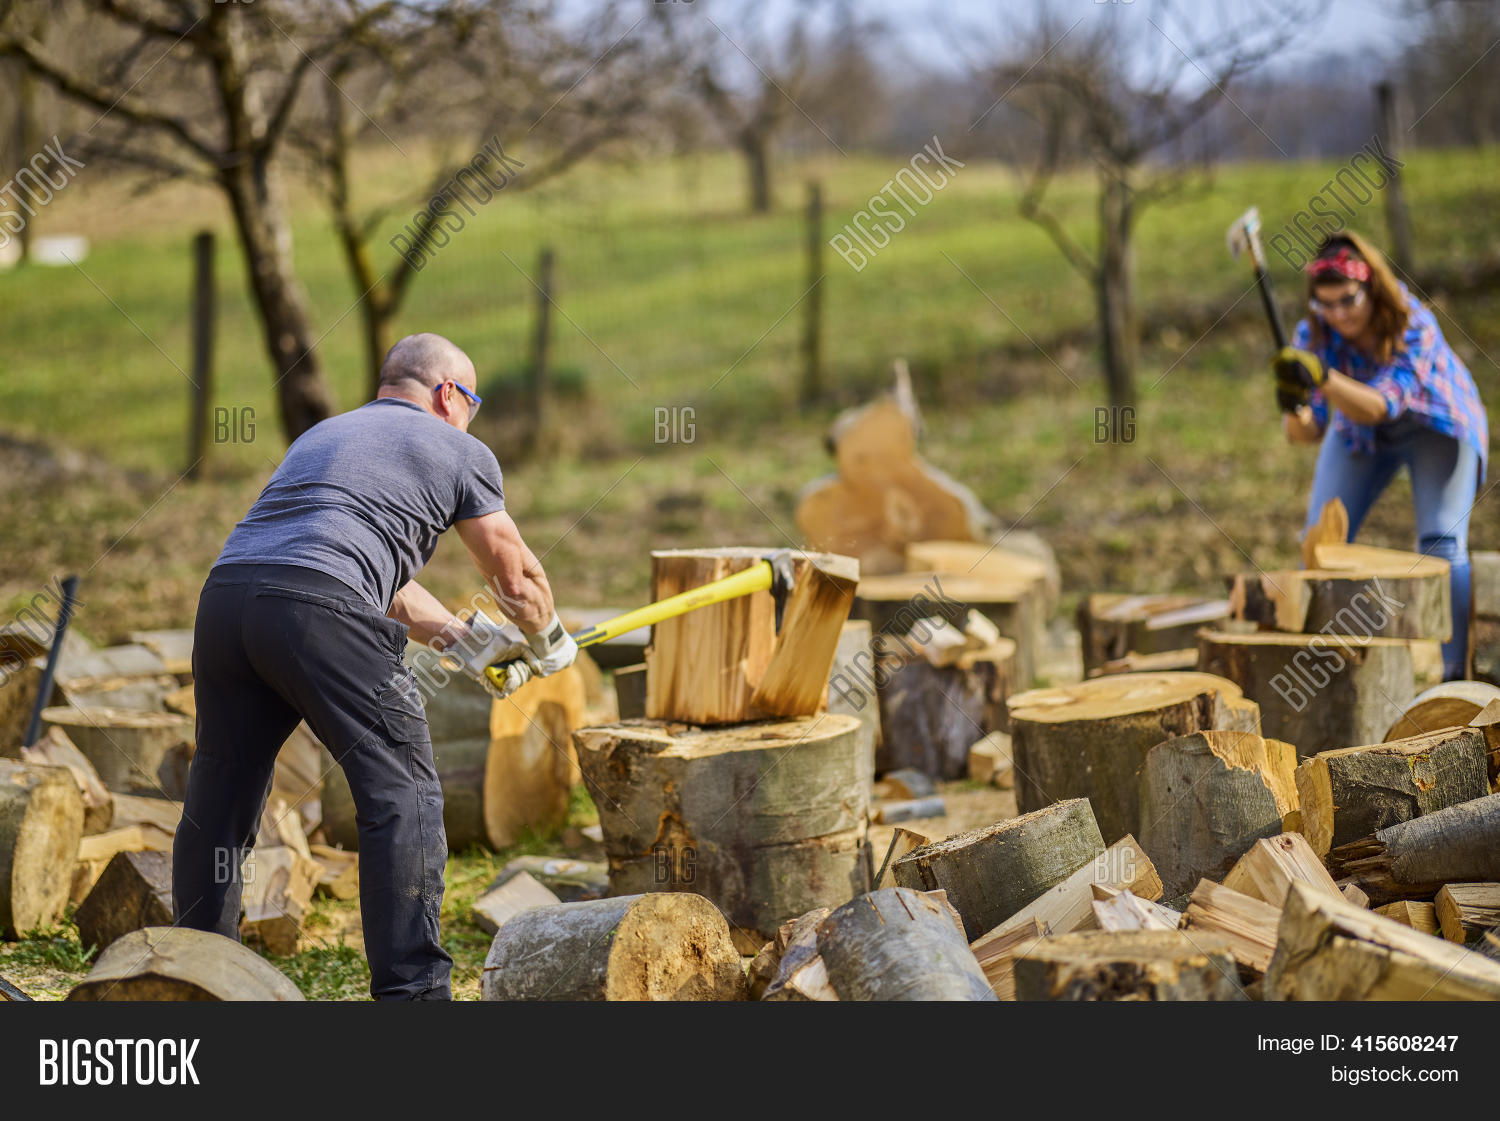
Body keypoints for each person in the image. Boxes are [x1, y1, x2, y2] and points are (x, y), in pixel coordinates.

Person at [172, 332, 577, 1000]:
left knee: (221, 793)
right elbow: (513, 570)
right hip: (317, 608)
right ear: (448, 394)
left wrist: (462, 638)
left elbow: (362, 571)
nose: (470, 417)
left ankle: (193, 979)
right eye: (472, 402)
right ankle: (414, 998)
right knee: (402, 793)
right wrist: (551, 641)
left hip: (228, 602)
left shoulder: (326, 436)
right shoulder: (458, 447)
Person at [1274, 232, 1488, 680]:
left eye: (1348, 300)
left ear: (1371, 288)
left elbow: (1382, 405)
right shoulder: (1312, 333)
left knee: (1441, 544)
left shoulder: (1413, 321)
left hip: (1436, 424)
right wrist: (1293, 403)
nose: (1338, 314)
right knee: (1320, 543)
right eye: (1325, 304)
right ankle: (1321, 676)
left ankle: (1457, 676)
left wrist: (1323, 377)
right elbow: (1305, 434)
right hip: (1360, 433)